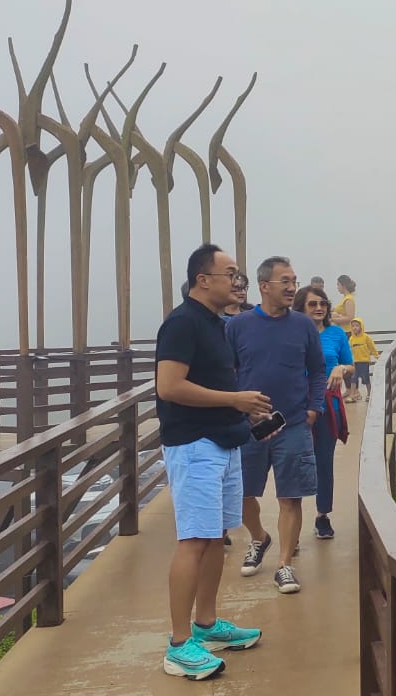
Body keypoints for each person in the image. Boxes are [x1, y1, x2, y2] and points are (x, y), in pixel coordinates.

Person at [155, 243, 266, 680]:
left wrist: (243, 409)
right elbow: (169, 386)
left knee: (216, 535)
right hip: (194, 444)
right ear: (204, 280)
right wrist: (233, 399)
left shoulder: (216, 324)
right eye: (230, 274)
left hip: (223, 440)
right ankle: (179, 645)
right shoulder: (182, 323)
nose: (237, 282)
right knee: (194, 540)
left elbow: (211, 384)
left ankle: (206, 625)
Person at [226, 256, 325, 595]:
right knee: (242, 492)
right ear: (264, 286)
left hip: (294, 423)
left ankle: (285, 565)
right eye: (285, 280)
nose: (292, 286)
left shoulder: (303, 326)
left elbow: (317, 370)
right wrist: (240, 408)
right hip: (249, 426)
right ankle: (259, 538)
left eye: (294, 279)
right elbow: (227, 373)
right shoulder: (237, 326)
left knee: (291, 496)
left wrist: (314, 409)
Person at [294, 285, 354, 541]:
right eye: (312, 304)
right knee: (293, 461)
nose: (319, 308)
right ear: (301, 307)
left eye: (323, 304)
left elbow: (351, 364)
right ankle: (291, 526)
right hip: (296, 403)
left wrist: (341, 368)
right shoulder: (290, 333)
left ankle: (322, 515)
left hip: (327, 404)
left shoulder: (336, 333)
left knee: (324, 461)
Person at [346, 317, 379, 403]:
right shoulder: (351, 339)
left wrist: (377, 356)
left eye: (357, 326)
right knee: (353, 378)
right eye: (353, 326)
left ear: (361, 327)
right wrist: (349, 360)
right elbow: (349, 350)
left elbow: (372, 347)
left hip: (364, 362)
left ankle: (369, 394)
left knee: (366, 379)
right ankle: (352, 395)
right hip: (355, 362)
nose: (355, 328)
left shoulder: (366, 337)